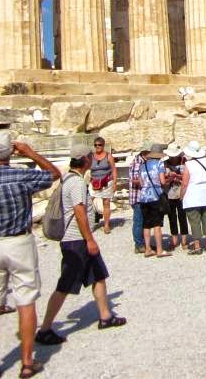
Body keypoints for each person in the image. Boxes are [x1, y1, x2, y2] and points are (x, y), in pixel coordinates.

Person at [0, 133, 59, 379]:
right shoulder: (21, 176)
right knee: (25, 301)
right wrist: (30, 153)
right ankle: (27, 363)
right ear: (11, 152)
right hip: (19, 242)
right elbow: (54, 174)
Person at [36, 140, 126, 345]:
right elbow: (79, 213)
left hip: (78, 240)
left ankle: (105, 316)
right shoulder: (76, 183)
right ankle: (45, 329)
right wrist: (90, 239)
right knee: (65, 285)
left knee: (99, 276)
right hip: (76, 241)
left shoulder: (69, 178)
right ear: (86, 159)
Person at [180, 141, 206, 254]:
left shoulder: (189, 165)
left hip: (193, 196)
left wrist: (181, 195)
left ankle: (197, 246)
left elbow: (185, 183)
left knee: (194, 221)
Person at [136, 142, 168, 257]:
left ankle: (148, 249)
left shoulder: (142, 165)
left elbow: (140, 182)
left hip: (144, 197)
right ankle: (159, 250)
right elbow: (163, 181)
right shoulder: (159, 164)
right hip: (155, 196)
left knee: (146, 224)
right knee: (157, 224)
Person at [162, 143, 189, 250]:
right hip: (169, 194)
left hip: (181, 193)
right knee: (172, 217)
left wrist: (176, 177)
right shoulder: (164, 164)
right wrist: (171, 178)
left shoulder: (184, 163)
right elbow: (163, 180)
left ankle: (183, 240)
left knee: (182, 217)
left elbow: (187, 178)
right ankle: (174, 240)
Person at [89, 136, 116, 235]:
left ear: (103, 145)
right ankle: (88, 224)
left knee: (106, 203)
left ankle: (106, 225)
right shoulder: (91, 156)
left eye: (99, 145)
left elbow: (113, 169)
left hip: (106, 182)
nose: (97, 147)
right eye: (95, 145)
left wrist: (115, 182)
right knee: (88, 202)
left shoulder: (108, 156)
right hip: (94, 182)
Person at [127, 149, 145, 254]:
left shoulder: (141, 161)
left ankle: (142, 242)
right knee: (138, 221)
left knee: (142, 221)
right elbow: (134, 179)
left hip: (141, 196)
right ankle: (138, 244)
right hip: (137, 196)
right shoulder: (137, 162)